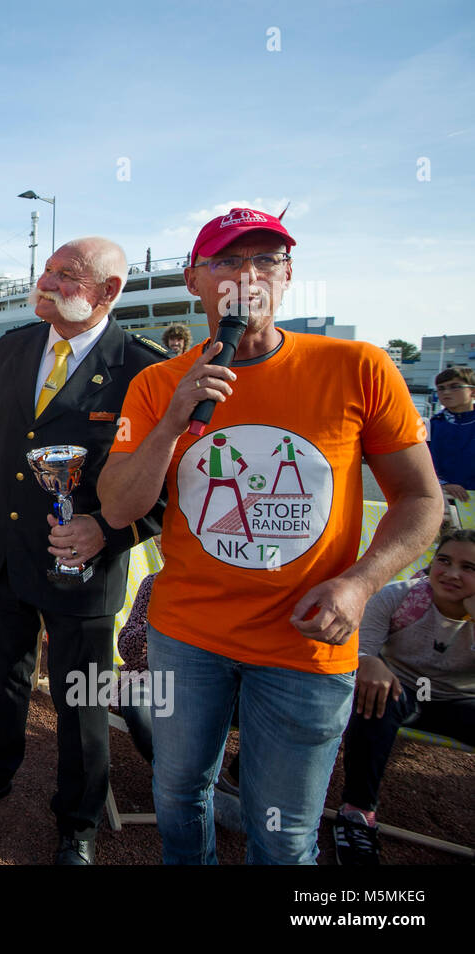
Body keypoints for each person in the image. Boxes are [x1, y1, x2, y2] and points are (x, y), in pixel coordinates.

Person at [98, 207, 443, 864]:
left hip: (308, 646)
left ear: (289, 278)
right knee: (176, 797)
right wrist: (173, 419)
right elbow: (118, 508)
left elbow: (422, 499)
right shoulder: (155, 385)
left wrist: (361, 585)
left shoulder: (359, 368)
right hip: (187, 638)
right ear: (193, 280)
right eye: (226, 261)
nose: (246, 277)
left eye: (267, 261)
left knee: (283, 838)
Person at [0, 236, 167, 864]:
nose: (45, 282)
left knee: (82, 698)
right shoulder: (14, 345)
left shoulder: (142, 368)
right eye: (45, 270)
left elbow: (165, 483)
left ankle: (78, 821)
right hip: (2, 549)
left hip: (84, 564)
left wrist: (112, 532)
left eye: (65, 275)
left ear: (108, 292)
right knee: (3, 678)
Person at [332, 529, 475, 864]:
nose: (452, 573)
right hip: (402, 689)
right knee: (376, 699)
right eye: (444, 560)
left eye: (469, 568)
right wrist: (369, 661)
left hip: (459, 701)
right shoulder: (401, 597)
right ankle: (357, 813)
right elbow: (360, 644)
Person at [428, 366, 475, 502]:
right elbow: (420, 463)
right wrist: (444, 483)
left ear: (472, 391)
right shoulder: (431, 425)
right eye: (441, 388)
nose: (446, 392)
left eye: (455, 386)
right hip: (443, 497)